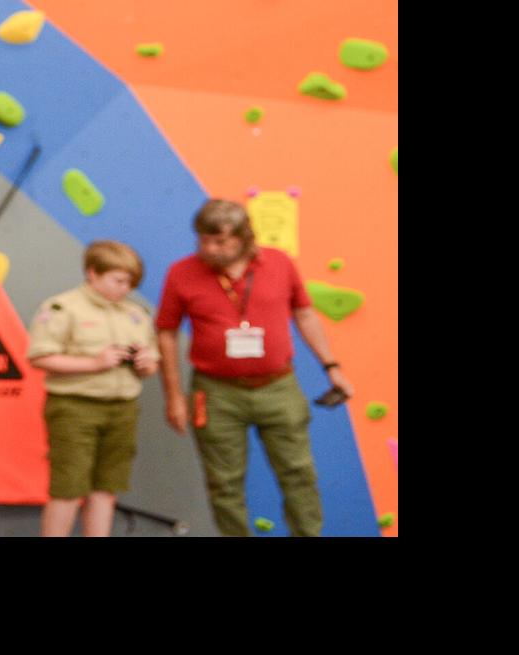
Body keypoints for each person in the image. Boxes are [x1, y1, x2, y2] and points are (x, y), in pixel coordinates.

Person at [154, 200, 353, 537]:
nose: (208, 248)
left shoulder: (278, 263)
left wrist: (331, 366)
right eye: (203, 240)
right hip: (215, 392)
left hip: (278, 386)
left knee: (299, 474)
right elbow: (167, 332)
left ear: (243, 238)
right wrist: (173, 395)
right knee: (224, 483)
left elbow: (304, 314)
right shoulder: (182, 272)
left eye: (219, 242)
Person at [27, 241, 160, 537]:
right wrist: (94, 363)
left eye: (130, 282)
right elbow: (40, 357)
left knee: (106, 489)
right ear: (92, 273)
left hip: (122, 408)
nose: (125, 288)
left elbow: (152, 366)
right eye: (118, 280)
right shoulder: (62, 307)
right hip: (75, 407)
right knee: (68, 488)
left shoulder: (135, 314)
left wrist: (145, 363)